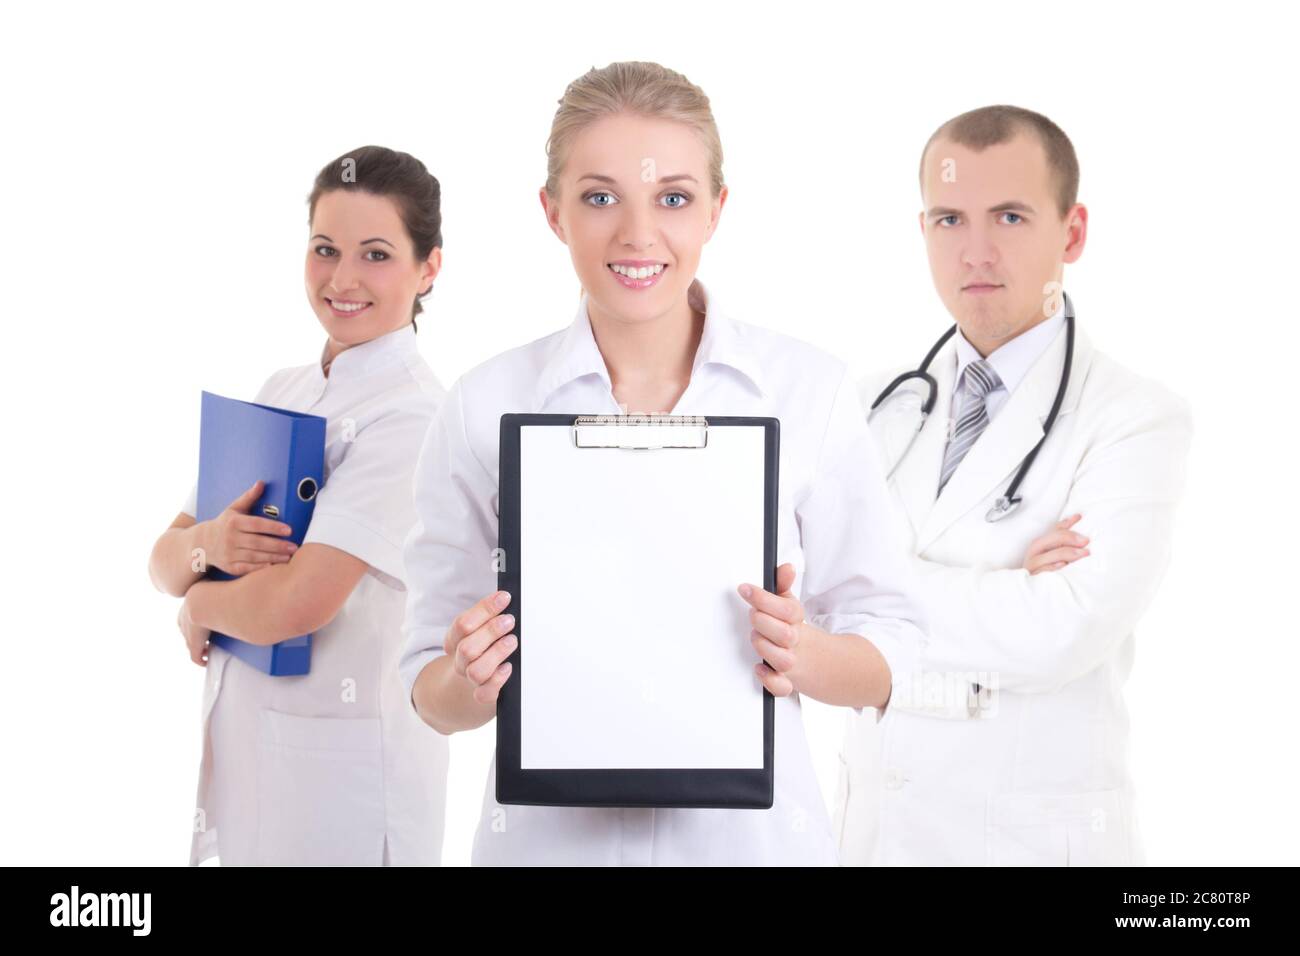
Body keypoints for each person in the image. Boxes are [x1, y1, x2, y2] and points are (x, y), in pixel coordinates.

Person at [399, 61, 926, 865]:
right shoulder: (483, 404)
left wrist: (805, 654)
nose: (639, 235)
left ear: (716, 210)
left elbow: (893, 650)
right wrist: (467, 681)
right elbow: (428, 692)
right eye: (600, 197)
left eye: (673, 198)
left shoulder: (806, 392)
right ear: (553, 212)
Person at [834, 106, 1193, 866]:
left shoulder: (1134, 418)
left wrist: (873, 596)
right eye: (949, 219)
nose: (977, 250)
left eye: (1010, 216)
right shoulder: (869, 409)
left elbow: (1063, 629)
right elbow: (801, 598)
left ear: (1073, 232)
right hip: (874, 840)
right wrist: (1001, 586)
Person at [147, 146, 450, 865]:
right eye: (325, 249)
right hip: (255, 766)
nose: (343, 279)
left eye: (376, 254)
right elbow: (163, 558)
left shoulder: (413, 417)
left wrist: (200, 606)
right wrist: (209, 546)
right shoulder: (280, 390)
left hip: (345, 789)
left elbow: (300, 601)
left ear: (428, 267)